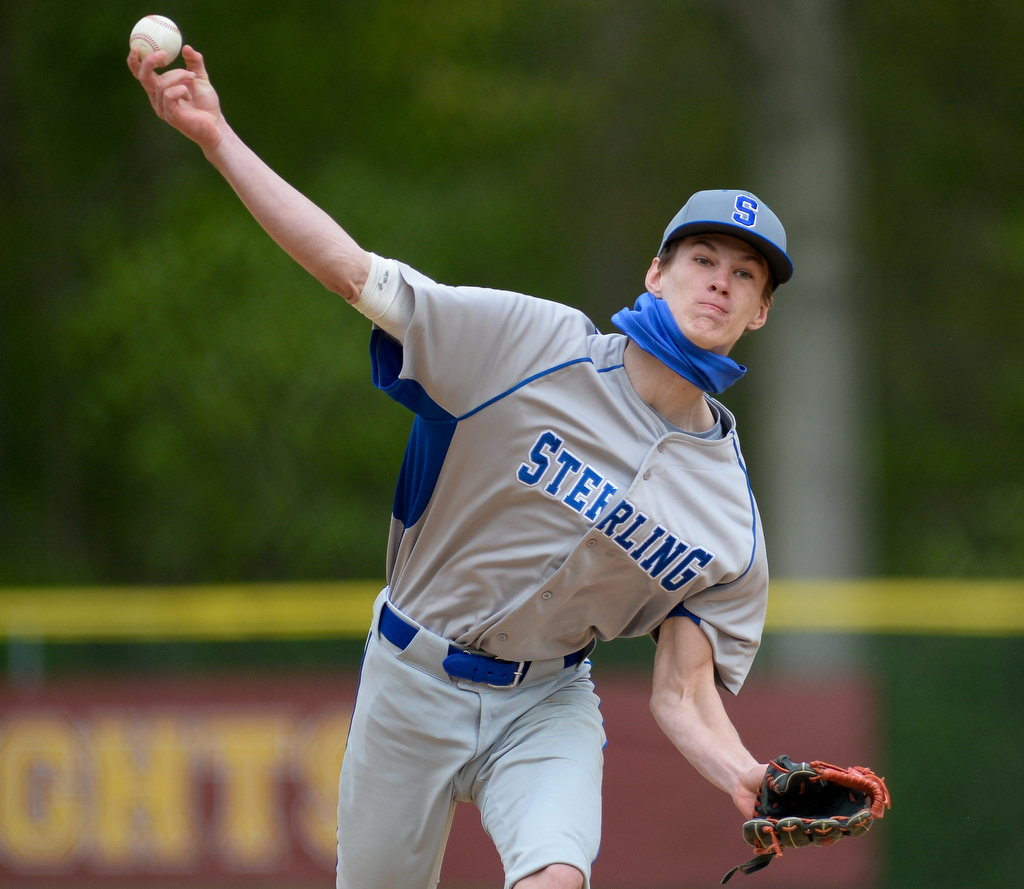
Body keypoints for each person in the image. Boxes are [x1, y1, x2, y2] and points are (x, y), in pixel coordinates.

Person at [130, 44, 794, 889]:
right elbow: (351, 271)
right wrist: (217, 138)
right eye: (702, 259)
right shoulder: (531, 346)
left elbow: (684, 691)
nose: (720, 283)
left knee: (556, 877)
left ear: (760, 310)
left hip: (545, 701)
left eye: (745, 274)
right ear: (656, 272)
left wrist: (744, 772)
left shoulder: (727, 513)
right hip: (410, 676)